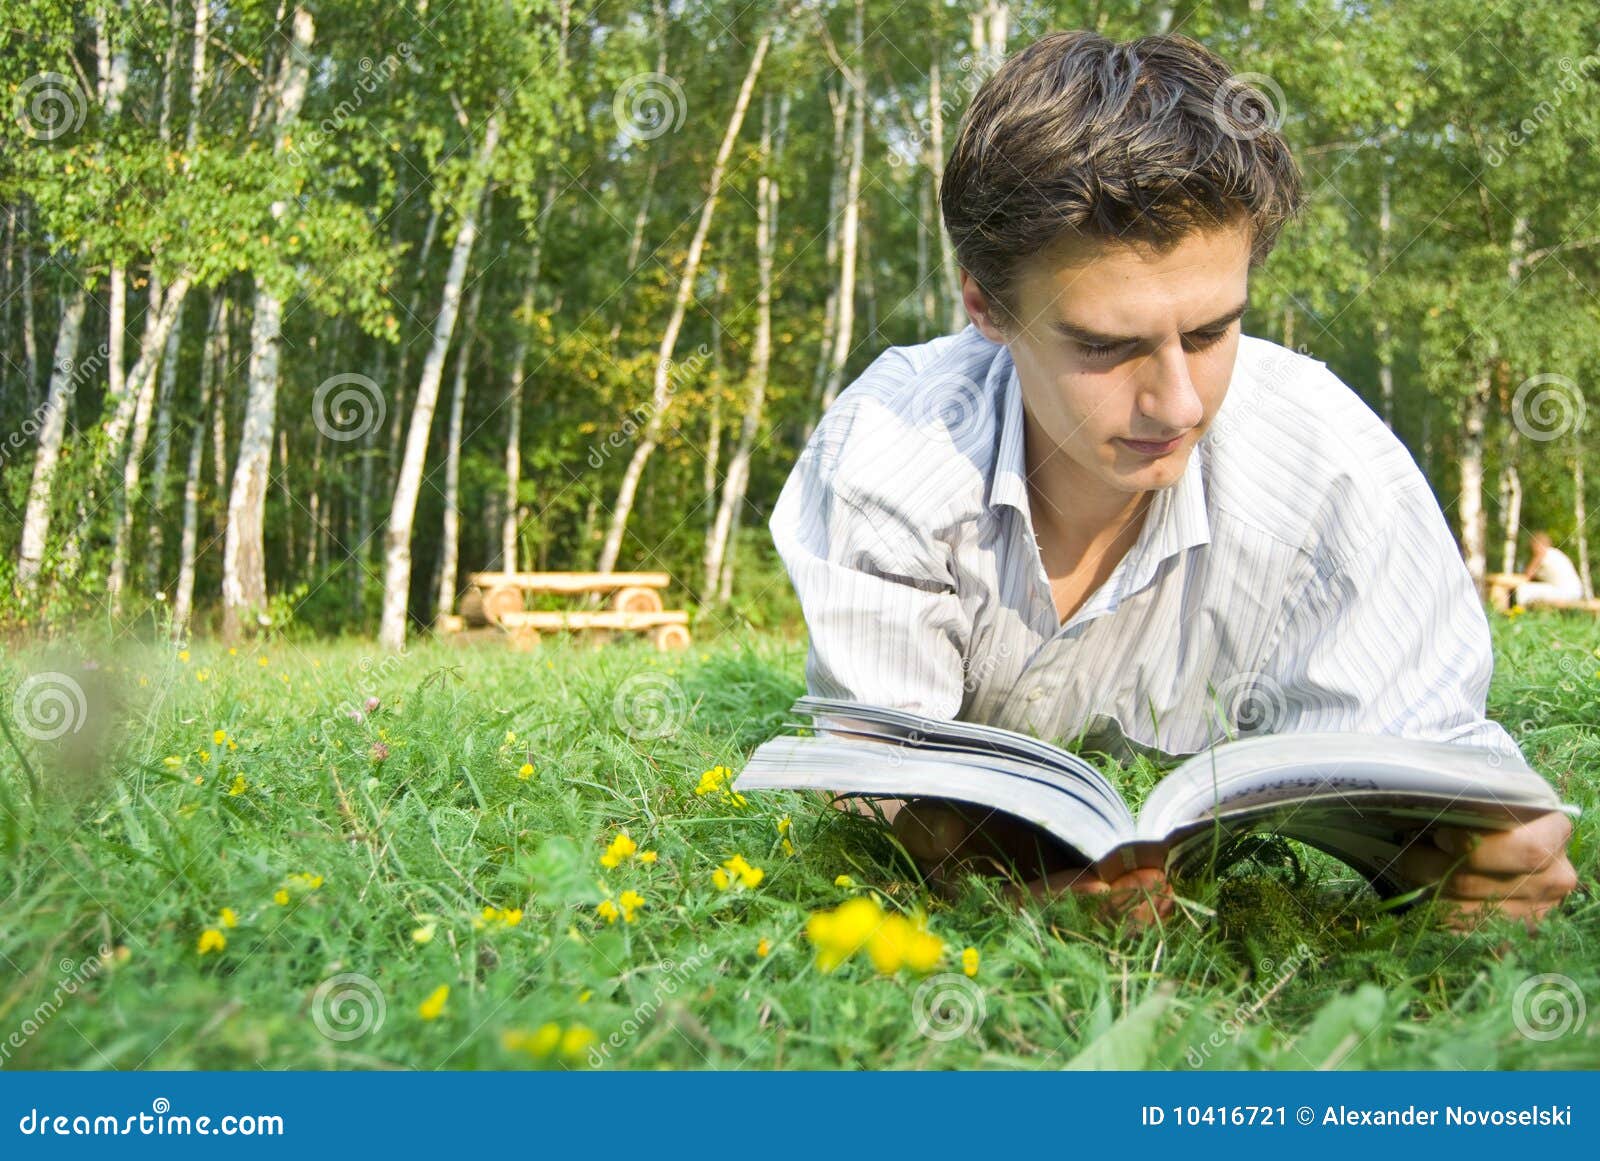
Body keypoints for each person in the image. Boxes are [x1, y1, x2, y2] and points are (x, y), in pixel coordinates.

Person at [768, 30, 1576, 927]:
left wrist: (1490, 856)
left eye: (1209, 333)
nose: (1180, 403)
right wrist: (991, 880)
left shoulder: (1333, 467)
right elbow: (877, 783)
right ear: (985, 305)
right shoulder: (894, 448)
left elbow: (1436, 754)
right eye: (1107, 346)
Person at [1515, 531, 1584, 607]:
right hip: (1576, 592)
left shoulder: (1542, 554)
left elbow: (1527, 576)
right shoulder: (1555, 553)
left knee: (1523, 589)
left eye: (1533, 545)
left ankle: (1518, 613)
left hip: (1565, 593)